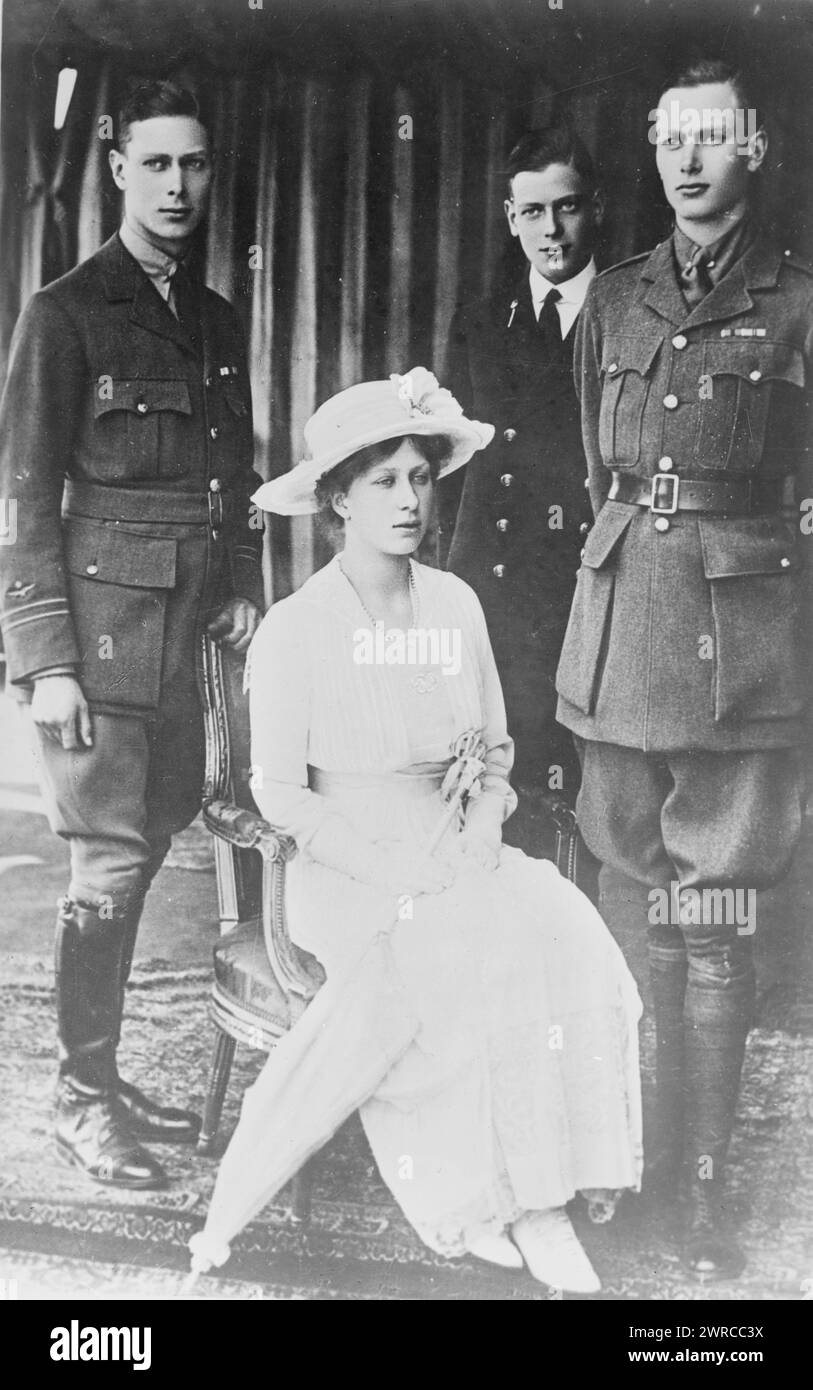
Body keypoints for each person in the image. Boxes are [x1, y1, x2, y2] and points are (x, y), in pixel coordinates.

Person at [187, 369, 642, 1294]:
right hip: (345, 872)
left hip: (454, 849)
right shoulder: (296, 629)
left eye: (420, 478)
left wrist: (478, 832)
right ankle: (482, 1196)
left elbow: (496, 746)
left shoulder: (455, 604)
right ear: (336, 498)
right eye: (381, 480)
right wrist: (393, 865)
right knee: (457, 953)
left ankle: (542, 1190)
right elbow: (282, 798)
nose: (406, 500)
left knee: (564, 941)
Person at [555, 58, 813, 1280]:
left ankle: (700, 1190)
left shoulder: (801, 303)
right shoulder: (611, 300)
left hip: (741, 645)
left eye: (715, 138)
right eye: (672, 139)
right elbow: (591, 466)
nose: (691, 160)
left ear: (753, 146)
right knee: (632, 897)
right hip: (620, 630)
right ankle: (637, 1157)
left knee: (714, 914)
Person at [0, 80, 264, 1189]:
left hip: (188, 651)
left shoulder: (211, 317)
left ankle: (99, 1075)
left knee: (153, 846)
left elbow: (236, 474)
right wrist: (45, 656)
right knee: (105, 869)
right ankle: (76, 1096)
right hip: (100, 649)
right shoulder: (65, 312)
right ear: (115, 166)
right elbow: (22, 496)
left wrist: (244, 580)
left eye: (194, 166)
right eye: (156, 165)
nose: (177, 187)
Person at [442, 126, 601, 869]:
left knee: (581, 788)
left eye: (564, 208)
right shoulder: (481, 319)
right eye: (531, 213)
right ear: (510, 218)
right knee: (492, 779)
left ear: (590, 209)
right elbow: (451, 466)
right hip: (492, 586)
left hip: (584, 586)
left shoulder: (625, 312)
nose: (550, 230)